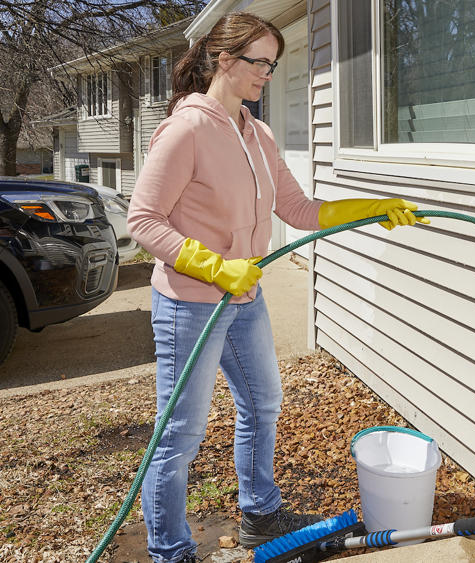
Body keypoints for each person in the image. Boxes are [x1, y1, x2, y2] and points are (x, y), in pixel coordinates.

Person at [126, 12, 428, 563]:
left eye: (272, 62)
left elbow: (300, 209)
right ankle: (170, 551)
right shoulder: (186, 128)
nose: (267, 72)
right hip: (189, 304)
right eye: (258, 61)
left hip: (245, 300)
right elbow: (144, 220)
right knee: (182, 433)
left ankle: (260, 514)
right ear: (223, 59)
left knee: (263, 401)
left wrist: (374, 209)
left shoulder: (257, 132)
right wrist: (214, 266)